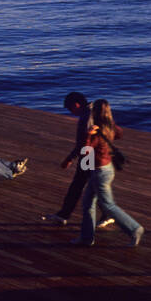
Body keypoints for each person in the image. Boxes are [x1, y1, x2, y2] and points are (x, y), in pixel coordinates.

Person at [72, 100, 143, 247]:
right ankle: (86, 238)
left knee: (108, 205)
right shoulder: (109, 126)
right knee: (88, 204)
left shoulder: (96, 131)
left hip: (100, 171)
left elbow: (86, 150)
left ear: (95, 112)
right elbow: (119, 134)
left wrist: (89, 135)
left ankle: (134, 228)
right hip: (106, 168)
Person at [41, 91, 114, 229]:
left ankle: (66, 215)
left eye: (70, 108)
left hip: (89, 156)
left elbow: (82, 143)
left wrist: (70, 158)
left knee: (84, 186)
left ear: (76, 104)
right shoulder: (94, 111)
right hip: (94, 155)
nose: (70, 111)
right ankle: (65, 214)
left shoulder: (86, 117)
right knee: (89, 186)